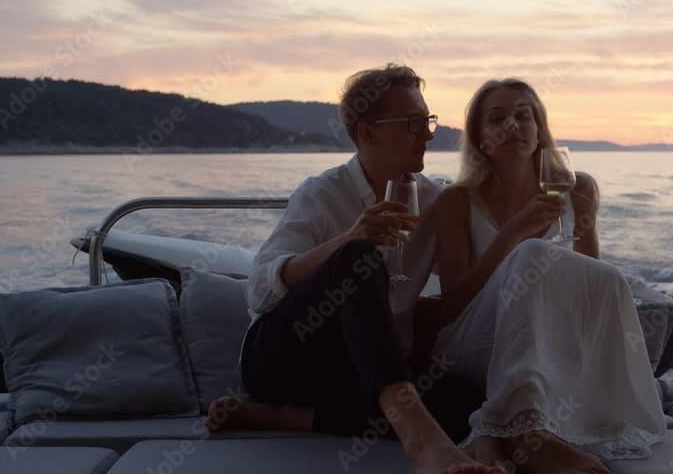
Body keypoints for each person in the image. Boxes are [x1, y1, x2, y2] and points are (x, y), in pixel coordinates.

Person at [215, 63, 502, 474]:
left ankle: (281, 419)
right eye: (414, 123)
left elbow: (472, 286)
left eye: (429, 121)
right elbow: (258, 290)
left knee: (467, 402)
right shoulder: (322, 193)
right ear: (368, 133)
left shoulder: (436, 201)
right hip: (285, 359)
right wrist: (348, 238)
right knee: (356, 257)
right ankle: (420, 442)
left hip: (365, 368)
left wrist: (522, 226)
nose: (428, 133)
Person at [425, 78, 666, 473]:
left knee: (601, 276)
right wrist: (510, 236)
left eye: (524, 116)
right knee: (533, 253)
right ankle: (528, 436)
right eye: (497, 118)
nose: (512, 126)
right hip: (473, 342)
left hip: (555, 343)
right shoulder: (456, 201)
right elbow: (452, 306)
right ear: (479, 137)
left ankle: (501, 435)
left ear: (540, 131)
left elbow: (592, 281)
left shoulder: (577, 189)